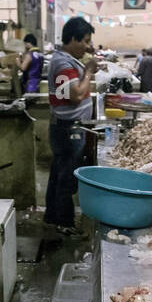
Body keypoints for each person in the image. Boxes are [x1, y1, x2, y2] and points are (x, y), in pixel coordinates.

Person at [45, 16, 96, 232]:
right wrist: (89, 72)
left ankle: (52, 216)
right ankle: (64, 223)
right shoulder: (62, 62)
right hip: (68, 129)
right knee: (67, 176)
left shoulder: (64, 60)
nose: (87, 46)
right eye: (84, 41)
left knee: (59, 172)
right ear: (72, 39)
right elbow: (75, 94)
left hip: (66, 126)